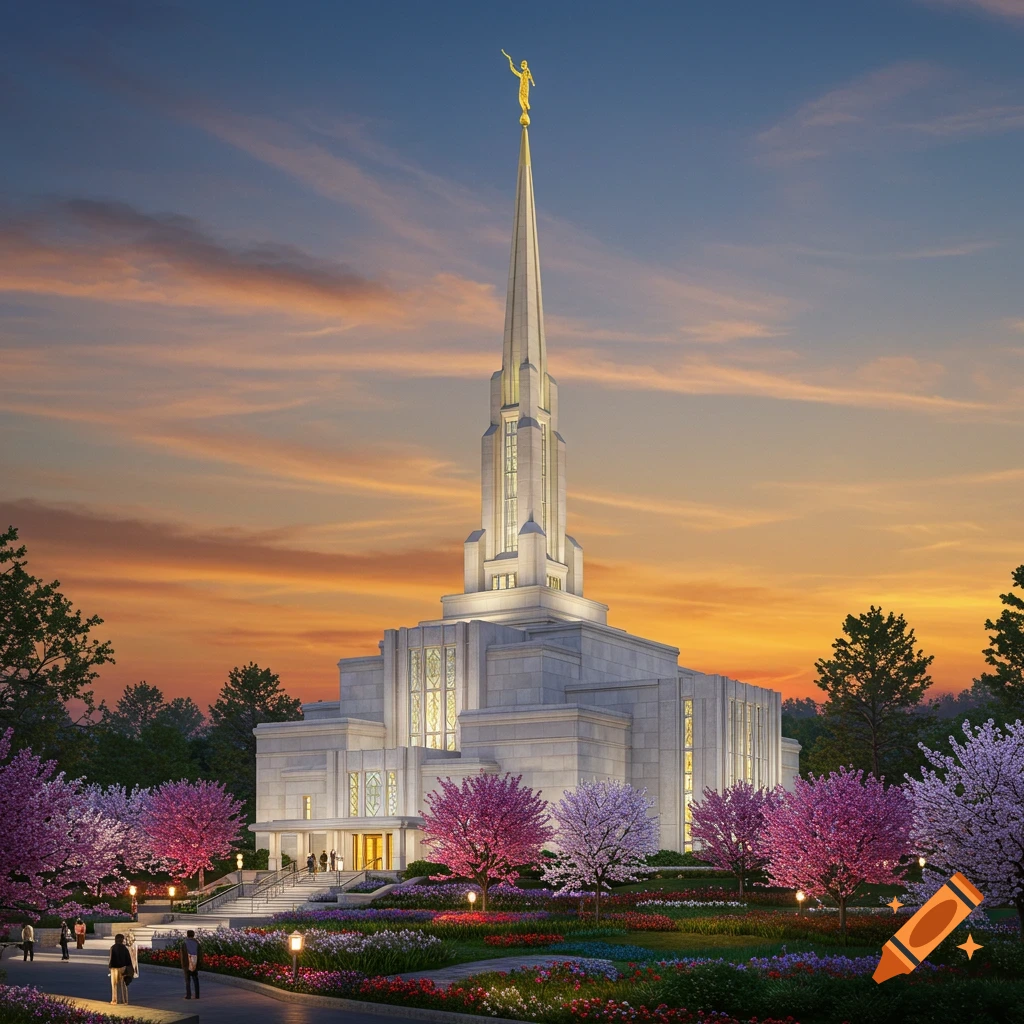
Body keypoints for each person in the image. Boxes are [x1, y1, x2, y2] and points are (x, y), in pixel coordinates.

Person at [108, 933, 132, 1004]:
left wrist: (110, 967)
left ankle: (115, 1000)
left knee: (115, 985)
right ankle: (124, 1000)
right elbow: (128, 959)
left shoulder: (113, 947)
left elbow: (111, 959)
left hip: (114, 969)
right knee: (123, 985)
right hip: (123, 968)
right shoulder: (125, 948)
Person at [181, 929, 201, 1000]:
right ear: (193, 935)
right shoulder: (197, 943)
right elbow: (200, 954)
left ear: (187, 935)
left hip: (187, 964)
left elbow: (183, 955)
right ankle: (197, 995)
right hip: (195, 963)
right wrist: (198, 964)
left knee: (187, 980)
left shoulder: (184, 943)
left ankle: (188, 995)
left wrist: (183, 965)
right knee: (195, 979)